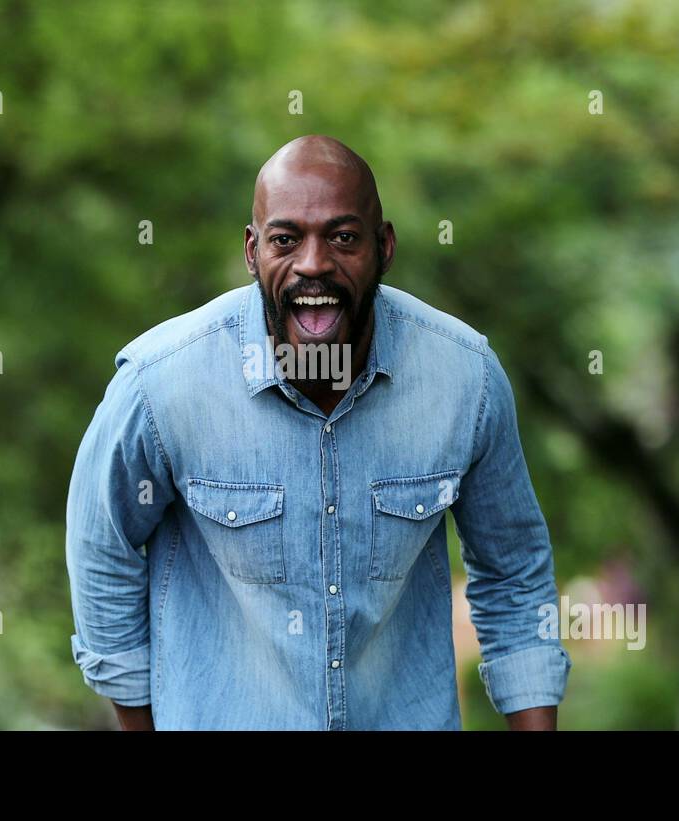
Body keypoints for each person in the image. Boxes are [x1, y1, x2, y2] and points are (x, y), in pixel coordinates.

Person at [65, 135, 570, 730]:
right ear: (253, 251)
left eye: (343, 237)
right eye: (286, 239)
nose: (313, 264)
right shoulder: (162, 386)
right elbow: (101, 551)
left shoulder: (464, 379)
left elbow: (515, 574)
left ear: (384, 247)